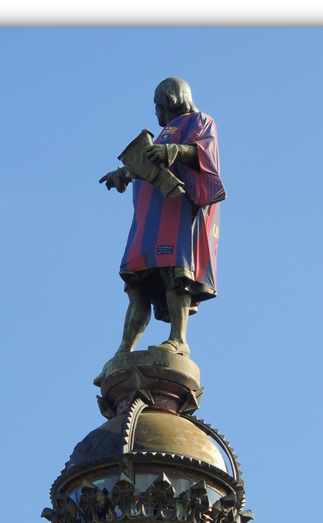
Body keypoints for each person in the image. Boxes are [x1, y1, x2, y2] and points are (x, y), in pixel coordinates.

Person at [100, 77, 226, 360]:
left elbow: (204, 152)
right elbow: (147, 166)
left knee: (174, 273)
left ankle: (178, 340)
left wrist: (174, 151)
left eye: (156, 104)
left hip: (176, 210)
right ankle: (124, 350)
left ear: (167, 100)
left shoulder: (199, 121)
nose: (155, 110)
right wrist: (123, 173)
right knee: (138, 284)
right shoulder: (162, 135)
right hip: (148, 217)